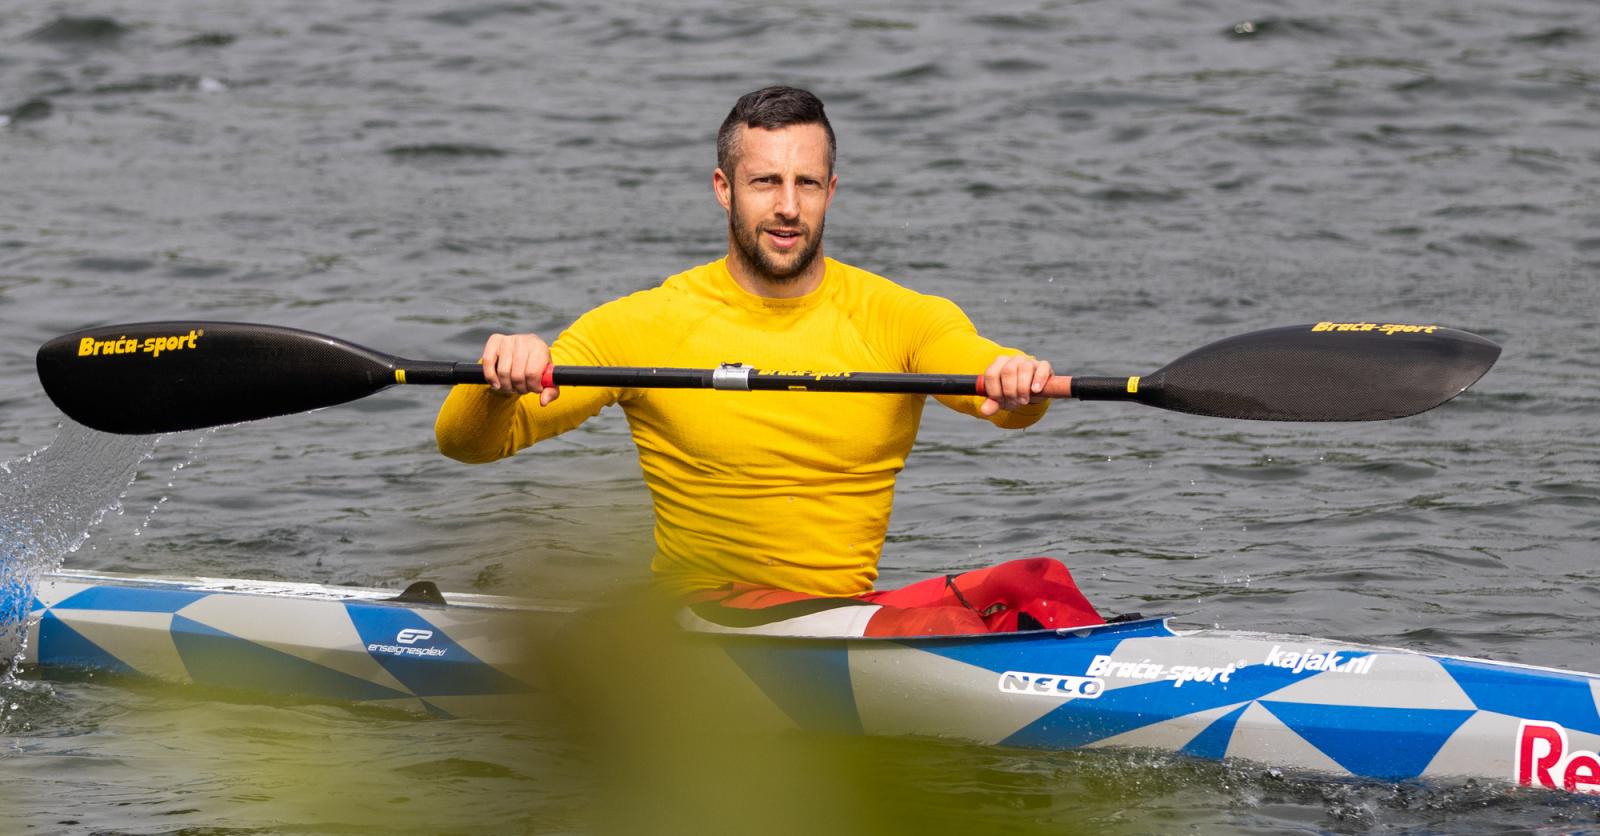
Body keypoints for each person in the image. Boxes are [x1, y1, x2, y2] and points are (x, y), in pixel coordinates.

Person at [436, 86, 1101, 636]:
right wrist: (498, 379)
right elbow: (467, 445)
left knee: (1038, 584)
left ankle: (1122, 677)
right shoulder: (645, 324)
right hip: (709, 611)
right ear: (725, 189)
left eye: (806, 183)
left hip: (840, 613)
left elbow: (990, 391)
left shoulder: (899, 314)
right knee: (950, 631)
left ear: (830, 191)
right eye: (765, 182)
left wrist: (1017, 378)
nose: (788, 207)